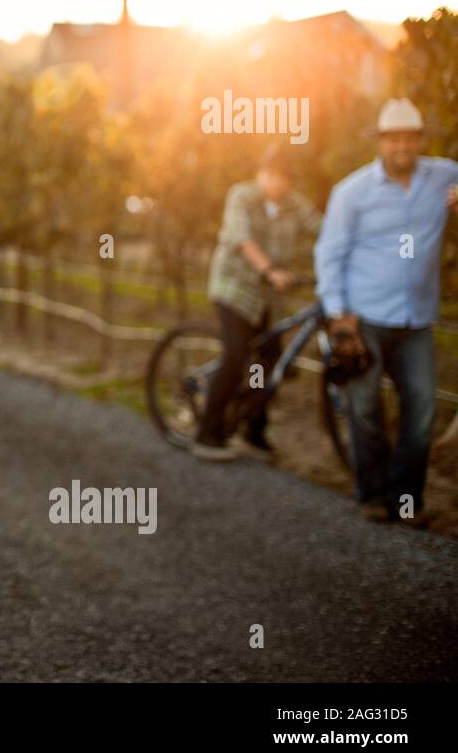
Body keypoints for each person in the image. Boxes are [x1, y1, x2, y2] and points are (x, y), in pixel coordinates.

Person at [315, 97, 458, 525]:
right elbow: (329, 253)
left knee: (421, 412)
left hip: (416, 319)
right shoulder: (352, 192)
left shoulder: (444, 175)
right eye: (394, 138)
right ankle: (373, 495)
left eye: (410, 138)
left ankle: (406, 501)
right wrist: (338, 313)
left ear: (420, 141)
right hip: (365, 319)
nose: (402, 146)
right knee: (364, 408)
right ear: (381, 142)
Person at [194, 143, 322, 461]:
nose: (277, 183)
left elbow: (323, 229)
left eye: (284, 178)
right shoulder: (241, 196)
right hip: (234, 288)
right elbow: (241, 238)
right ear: (261, 173)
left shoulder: (295, 204)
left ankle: (253, 431)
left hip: (269, 299)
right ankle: (206, 434)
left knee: (270, 360)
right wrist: (269, 270)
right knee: (237, 355)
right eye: (272, 175)